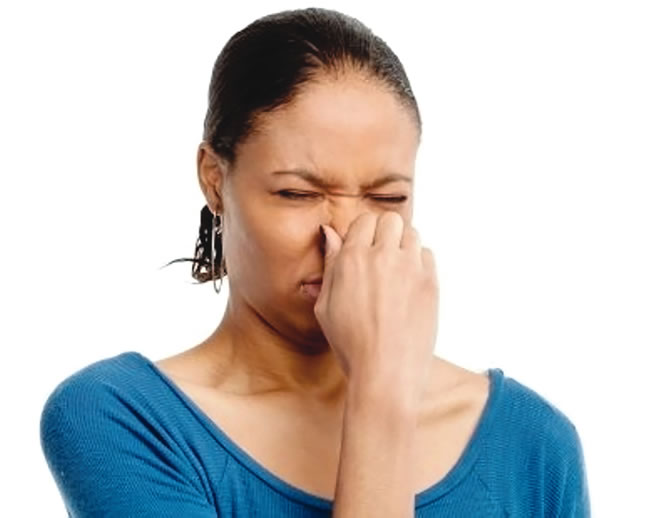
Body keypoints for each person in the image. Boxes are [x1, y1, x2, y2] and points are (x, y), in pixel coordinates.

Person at [39, 7, 590, 517]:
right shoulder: (121, 419)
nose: (343, 239)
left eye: (387, 198)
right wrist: (380, 391)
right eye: (297, 194)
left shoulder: (533, 444)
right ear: (214, 179)